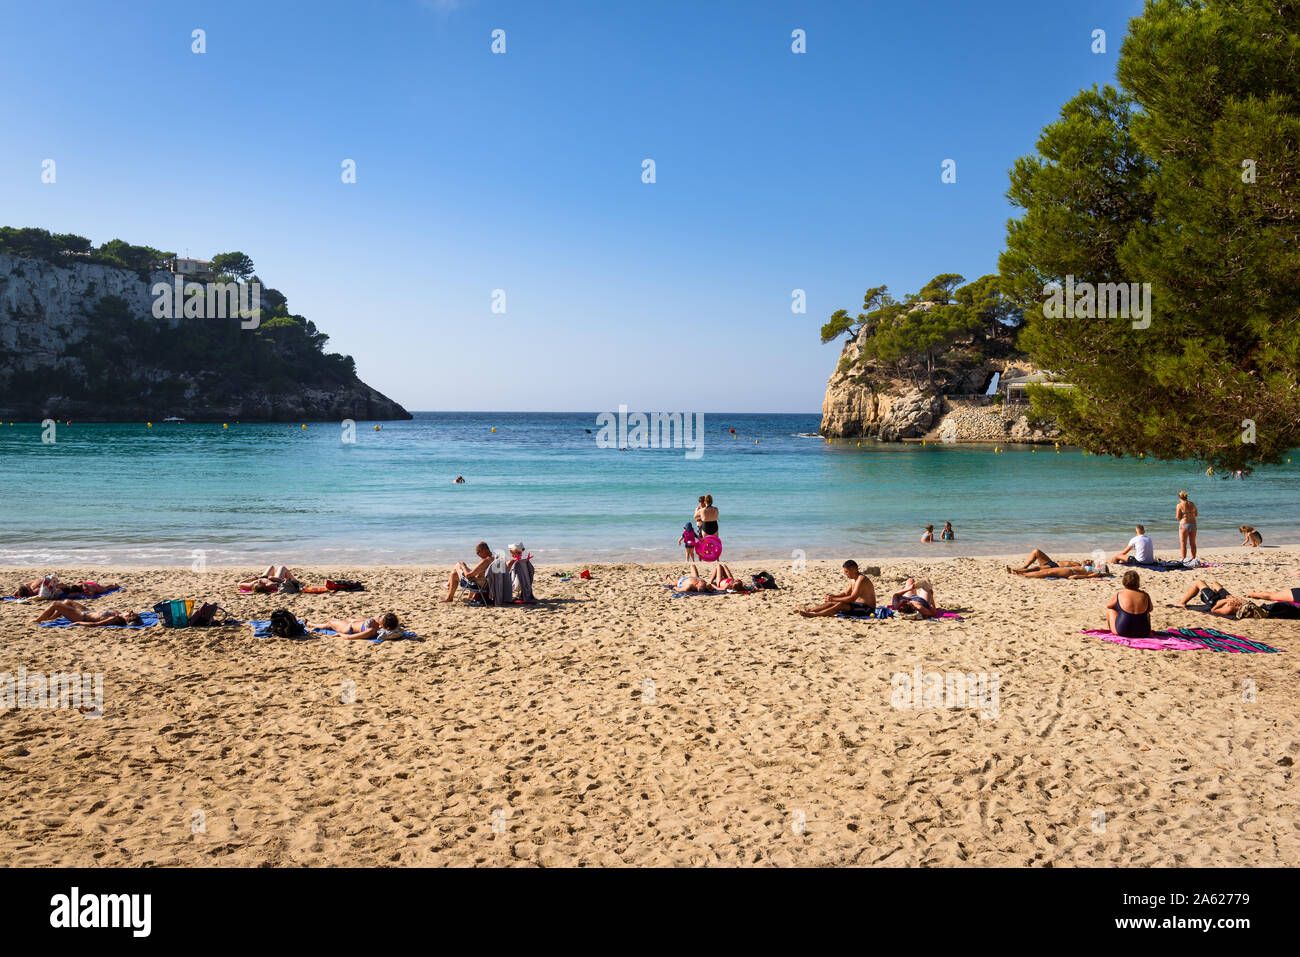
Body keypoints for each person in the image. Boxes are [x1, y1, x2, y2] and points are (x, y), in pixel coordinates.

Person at [794, 560, 876, 617]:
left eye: (847, 572)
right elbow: (846, 594)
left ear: (854, 570)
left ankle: (815, 615)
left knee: (839, 604)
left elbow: (852, 598)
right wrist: (833, 596)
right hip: (857, 606)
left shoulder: (861, 579)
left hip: (867, 609)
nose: (845, 574)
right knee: (833, 602)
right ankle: (809, 609)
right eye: (845, 572)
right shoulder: (853, 579)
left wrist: (834, 599)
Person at [1106, 570, 1153, 639]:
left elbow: (1108, 605)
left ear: (1124, 582)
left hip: (1123, 631)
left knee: (1111, 610)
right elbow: (1151, 609)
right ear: (1138, 582)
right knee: (1147, 613)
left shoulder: (1120, 594)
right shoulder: (1145, 595)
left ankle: (1110, 628)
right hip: (1144, 632)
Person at [34, 600, 142, 627]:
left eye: (131, 614)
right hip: (88, 611)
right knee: (66, 602)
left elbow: (95, 625)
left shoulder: (115, 619)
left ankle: (38, 620)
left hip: (82, 617)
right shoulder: (120, 614)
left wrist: (78, 623)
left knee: (55, 604)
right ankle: (50, 618)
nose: (131, 611)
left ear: (128, 619)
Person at [308, 612, 402, 641]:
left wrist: (339, 635)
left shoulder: (371, 631)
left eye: (380, 619)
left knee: (330, 623)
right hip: (353, 622)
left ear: (383, 626)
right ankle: (337, 621)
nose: (378, 618)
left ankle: (312, 624)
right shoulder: (376, 624)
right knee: (340, 620)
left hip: (348, 628)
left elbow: (349, 637)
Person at [1175, 579, 1247, 616]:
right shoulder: (1246, 604)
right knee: (1215, 584)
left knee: (1199, 582)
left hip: (1214, 602)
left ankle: (1181, 603)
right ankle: (1210, 592)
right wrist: (1233, 598)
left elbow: (1213, 610)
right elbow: (1241, 601)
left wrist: (1226, 601)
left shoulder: (1230, 609)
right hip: (1226, 599)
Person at [1176, 491, 1198, 559]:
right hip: (1193, 524)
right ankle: (1193, 558)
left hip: (1184, 524)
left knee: (1183, 543)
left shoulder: (1179, 505)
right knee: (1193, 543)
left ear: (1179, 497)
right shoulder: (1192, 504)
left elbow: (1178, 517)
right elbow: (1196, 514)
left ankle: (1183, 559)